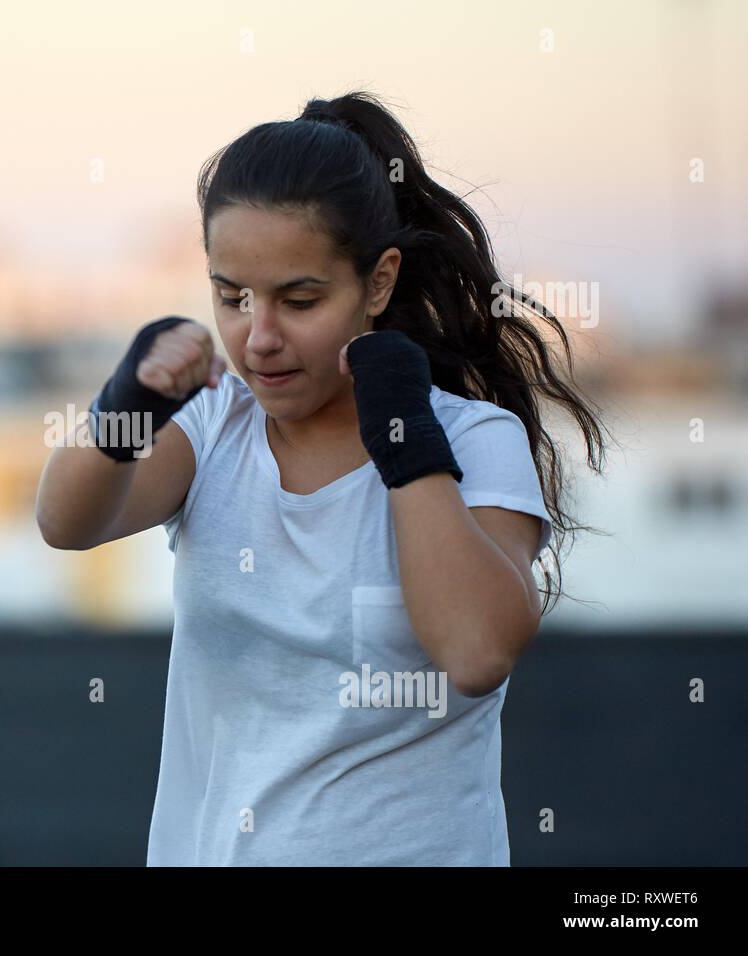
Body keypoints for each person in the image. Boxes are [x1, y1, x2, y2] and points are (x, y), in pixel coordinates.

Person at [35, 90, 609, 865]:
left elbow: (476, 653)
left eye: (298, 299)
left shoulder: (475, 439)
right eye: (231, 296)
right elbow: (66, 524)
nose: (259, 337)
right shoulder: (213, 424)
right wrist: (123, 403)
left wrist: (402, 433)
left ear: (377, 283)